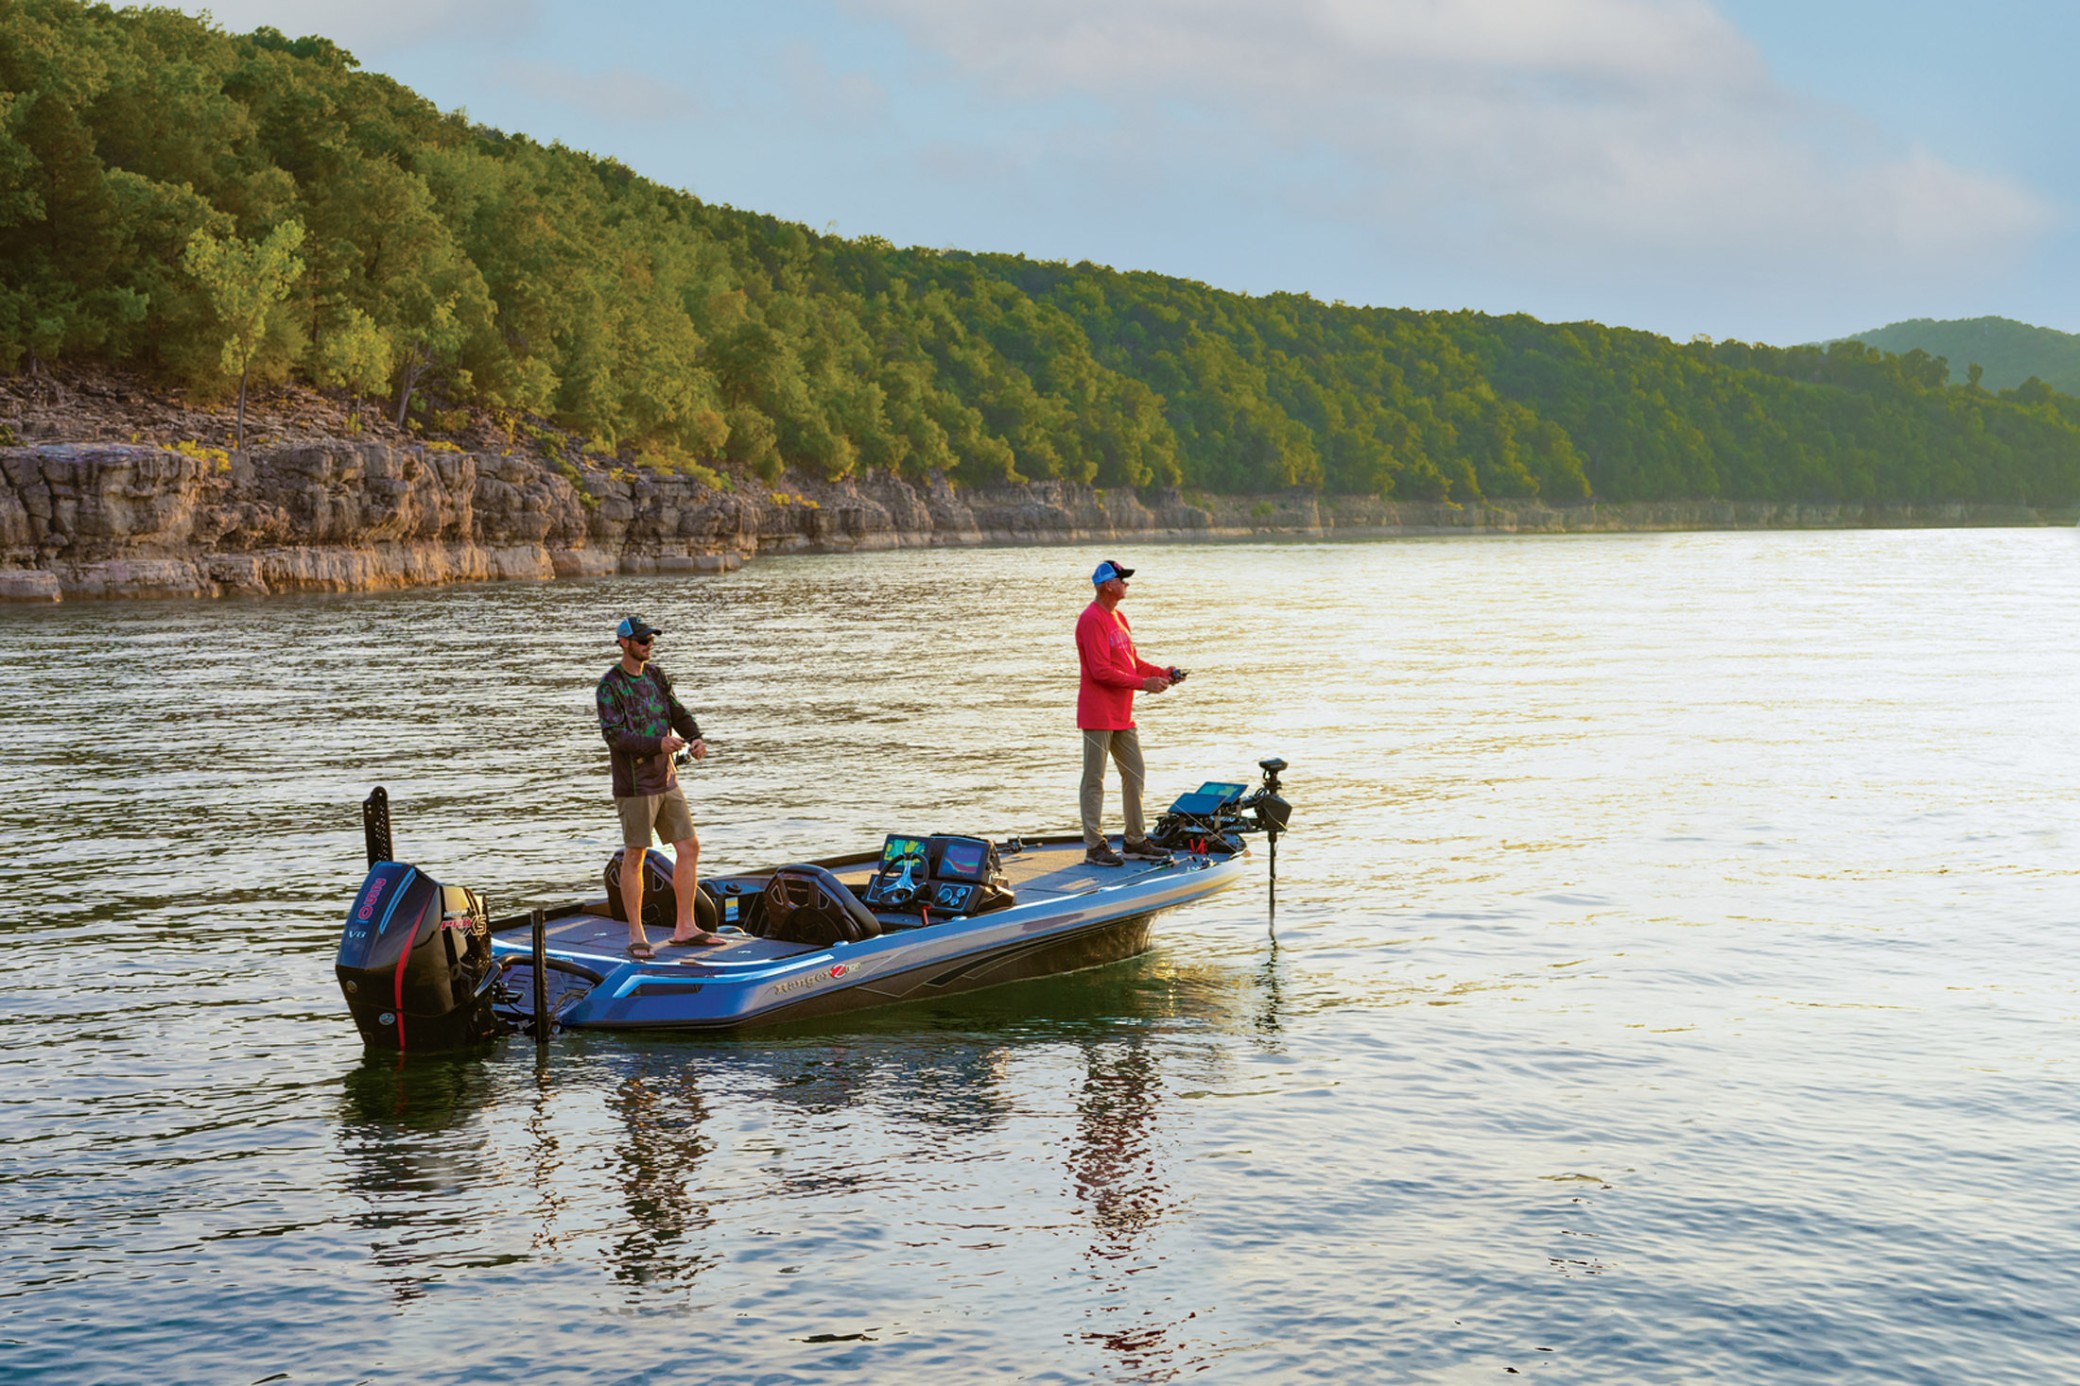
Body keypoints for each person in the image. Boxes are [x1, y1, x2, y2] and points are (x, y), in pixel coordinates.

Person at [596, 615, 717, 959]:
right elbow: (614, 736)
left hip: (667, 780)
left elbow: (678, 711)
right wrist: (657, 744)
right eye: (642, 640)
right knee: (635, 856)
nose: (649, 645)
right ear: (624, 643)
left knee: (689, 846)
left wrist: (695, 738)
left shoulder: (657, 676)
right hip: (634, 787)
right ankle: (637, 935)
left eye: (651, 640)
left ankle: (685, 928)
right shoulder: (610, 686)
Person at [1075, 559, 1181, 866]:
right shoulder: (1091, 619)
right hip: (1097, 714)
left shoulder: (1118, 617)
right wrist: (1142, 684)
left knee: (1134, 774)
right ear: (1109, 585)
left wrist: (1164, 672)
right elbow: (1099, 671)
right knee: (1094, 779)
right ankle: (1095, 847)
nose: (1127, 584)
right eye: (1122, 579)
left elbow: (1131, 662)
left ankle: (1135, 841)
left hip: (1122, 714)